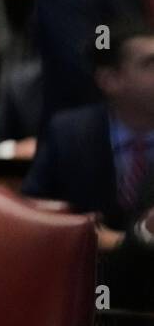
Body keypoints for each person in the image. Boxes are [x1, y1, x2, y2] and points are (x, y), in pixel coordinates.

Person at [25, 19, 154, 310]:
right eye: (149, 64)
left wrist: (123, 241)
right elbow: (32, 209)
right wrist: (77, 232)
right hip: (80, 292)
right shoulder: (70, 133)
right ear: (109, 79)